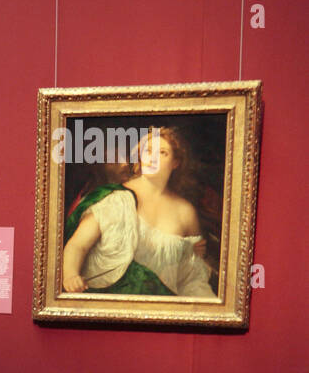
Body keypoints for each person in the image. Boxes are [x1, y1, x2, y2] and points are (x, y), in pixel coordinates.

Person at [62, 127, 215, 297]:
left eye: (162, 153)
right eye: (148, 151)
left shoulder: (186, 212)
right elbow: (78, 245)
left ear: (175, 163)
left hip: (161, 308)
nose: (153, 158)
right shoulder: (115, 198)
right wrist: (70, 275)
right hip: (110, 301)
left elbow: (191, 274)